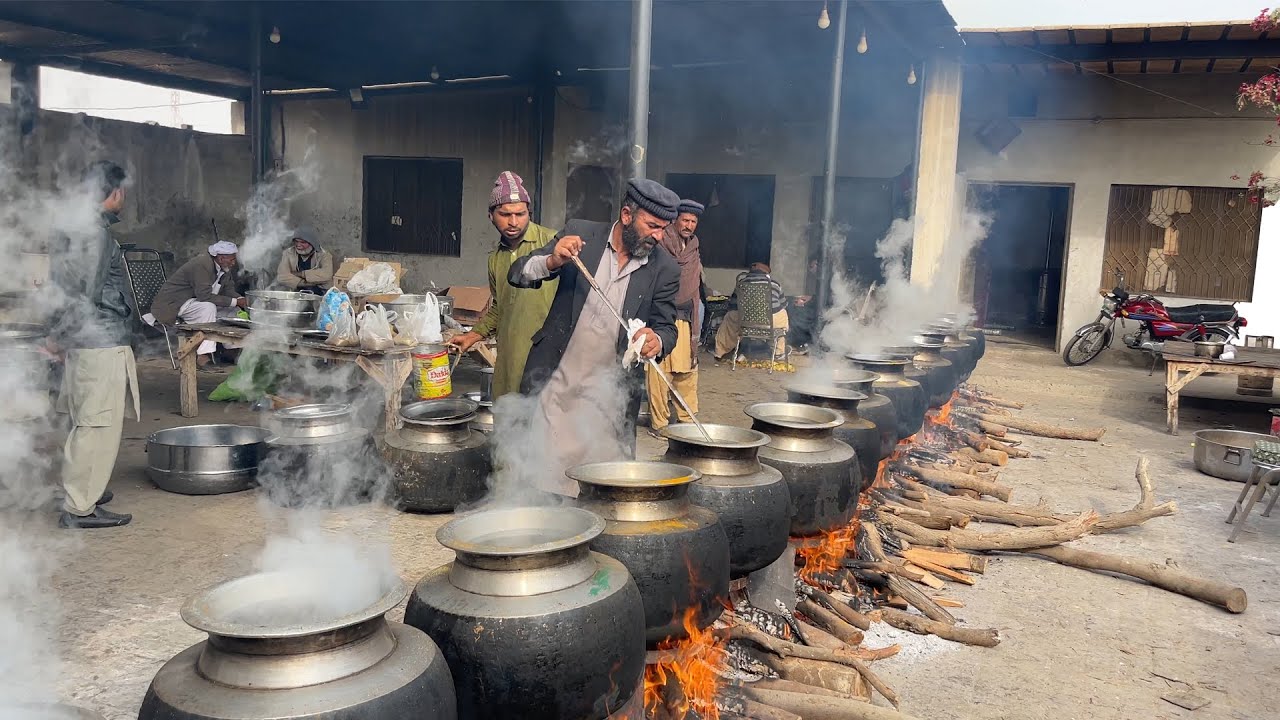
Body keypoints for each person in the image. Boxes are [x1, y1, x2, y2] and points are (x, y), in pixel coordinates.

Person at [508, 178, 680, 496]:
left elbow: (668, 327)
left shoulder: (665, 268)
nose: (659, 236)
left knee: (599, 489)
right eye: (653, 226)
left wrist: (657, 340)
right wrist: (551, 260)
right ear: (627, 215)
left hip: (608, 400)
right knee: (544, 483)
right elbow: (518, 272)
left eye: (664, 228)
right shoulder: (581, 235)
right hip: (556, 388)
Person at [47, 160, 140, 529]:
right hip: (98, 341)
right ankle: (79, 507)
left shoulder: (71, 228)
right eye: (123, 191)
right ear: (114, 193)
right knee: (97, 425)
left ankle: (86, 488)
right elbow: (85, 295)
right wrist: (60, 338)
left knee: (82, 418)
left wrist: (59, 334)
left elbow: (61, 291)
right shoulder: (95, 235)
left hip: (84, 342)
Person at [447, 171, 559, 399]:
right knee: (510, 423)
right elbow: (500, 307)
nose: (513, 222)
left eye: (520, 214)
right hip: (510, 361)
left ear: (529, 212)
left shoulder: (553, 243)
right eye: (505, 214)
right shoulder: (495, 259)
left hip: (551, 360)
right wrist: (472, 336)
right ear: (490, 215)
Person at [646, 199, 704, 436]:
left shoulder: (694, 246)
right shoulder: (661, 242)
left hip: (686, 317)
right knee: (660, 372)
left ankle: (687, 419)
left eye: (693, 221)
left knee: (687, 370)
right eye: (685, 220)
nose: (689, 225)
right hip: (662, 315)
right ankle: (659, 423)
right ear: (675, 221)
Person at [150, 241, 246, 368]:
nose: (234, 263)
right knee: (208, 307)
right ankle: (203, 356)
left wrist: (240, 300)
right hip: (175, 303)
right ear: (221, 258)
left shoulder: (224, 267)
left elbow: (228, 289)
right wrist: (236, 301)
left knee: (234, 311)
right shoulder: (201, 265)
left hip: (194, 302)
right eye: (232, 260)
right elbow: (204, 296)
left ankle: (230, 350)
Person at [714, 261, 789, 362]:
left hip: (745, 321)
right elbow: (784, 303)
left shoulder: (741, 283)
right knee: (783, 312)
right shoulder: (775, 284)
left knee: (730, 316)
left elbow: (732, 305)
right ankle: (779, 352)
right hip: (770, 322)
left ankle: (721, 352)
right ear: (767, 274)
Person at [275, 227, 334, 294]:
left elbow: (326, 274)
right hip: (296, 290)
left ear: (311, 242)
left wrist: (301, 274)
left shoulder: (324, 255)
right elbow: (282, 276)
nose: (298, 245)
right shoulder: (288, 253)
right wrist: (303, 283)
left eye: (303, 242)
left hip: (320, 292)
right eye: (296, 241)